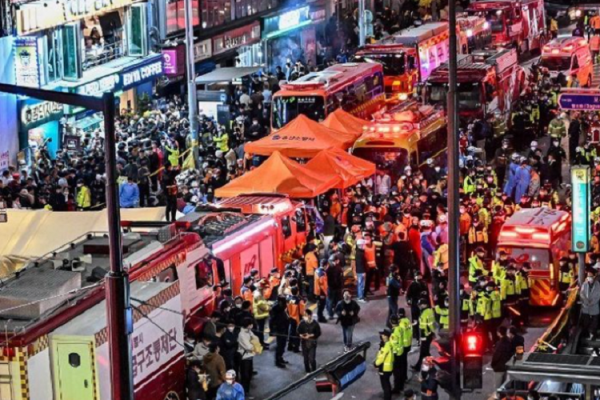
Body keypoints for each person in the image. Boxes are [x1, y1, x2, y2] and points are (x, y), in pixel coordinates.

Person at [412, 298, 435, 371]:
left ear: (424, 305)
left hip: (426, 335)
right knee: (425, 352)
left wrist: (427, 335)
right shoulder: (427, 311)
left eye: (420, 305)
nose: (419, 306)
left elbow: (428, 325)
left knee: (424, 352)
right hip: (427, 335)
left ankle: (429, 367)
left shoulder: (425, 313)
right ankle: (419, 366)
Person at [297, 309, 322, 373]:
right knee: (306, 359)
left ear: (310, 315)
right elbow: (298, 331)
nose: (304, 316)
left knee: (312, 359)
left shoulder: (315, 324)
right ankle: (307, 371)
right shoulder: (302, 323)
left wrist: (310, 335)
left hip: (312, 343)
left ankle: (314, 372)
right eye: (304, 315)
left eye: (306, 315)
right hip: (304, 343)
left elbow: (318, 333)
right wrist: (301, 335)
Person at [237, 318, 257, 396]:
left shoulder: (249, 332)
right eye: (251, 324)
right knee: (245, 376)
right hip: (244, 358)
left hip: (249, 356)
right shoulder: (242, 334)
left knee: (249, 375)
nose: (252, 325)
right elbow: (248, 346)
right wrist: (255, 346)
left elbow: (254, 338)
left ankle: (247, 391)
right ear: (248, 325)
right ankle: (243, 392)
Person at [269, 295, 289, 368]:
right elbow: (271, 320)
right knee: (280, 346)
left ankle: (280, 358)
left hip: (283, 328)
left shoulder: (280, 309)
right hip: (279, 329)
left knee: (283, 345)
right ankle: (278, 361)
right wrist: (272, 330)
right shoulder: (276, 309)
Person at [491, 326, 514, 391]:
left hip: (499, 368)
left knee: (498, 387)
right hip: (507, 367)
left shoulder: (499, 343)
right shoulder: (509, 342)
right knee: (506, 387)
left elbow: (496, 356)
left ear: (499, 333)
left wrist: (493, 364)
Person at [375, 328, 395, 400]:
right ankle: (388, 395)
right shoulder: (390, 343)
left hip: (384, 368)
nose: (381, 336)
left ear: (386, 336)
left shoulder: (386, 346)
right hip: (389, 367)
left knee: (385, 384)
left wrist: (376, 364)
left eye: (383, 334)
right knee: (387, 383)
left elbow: (381, 358)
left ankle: (387, 397)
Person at [580, 269, 600, 339]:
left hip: (594, 305)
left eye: (590, 276)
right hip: (586, 306)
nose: (589, 277)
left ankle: (593, 333)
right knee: (586, 321)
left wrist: (592, 302)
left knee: (595, 321)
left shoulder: (598, 285)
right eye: (588, 276)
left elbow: (598, 295)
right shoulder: (584, 284)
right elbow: (582, 294)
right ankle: (586, 333)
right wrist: (586, 301)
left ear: (594, 276)